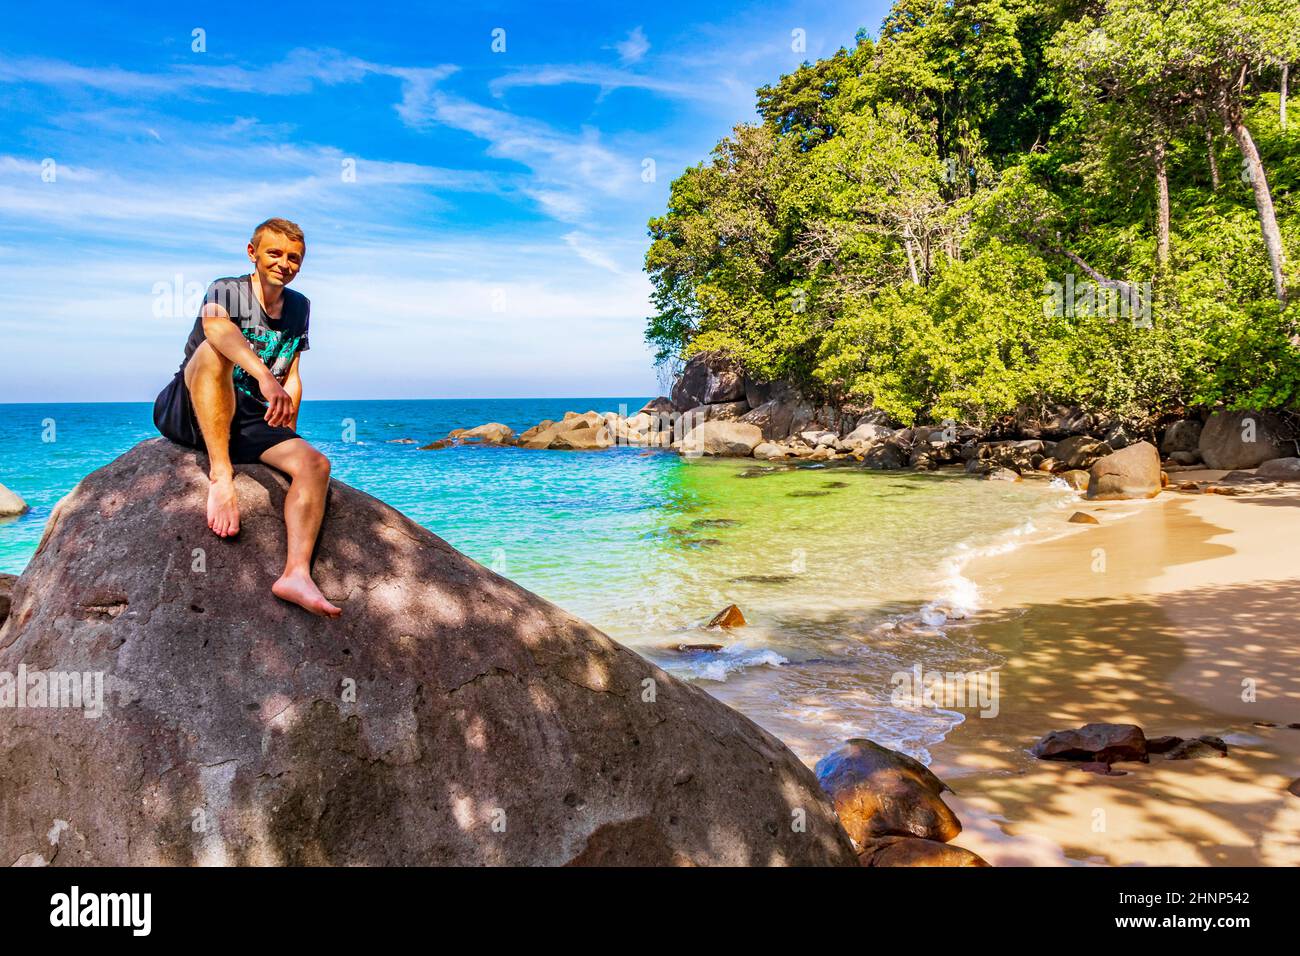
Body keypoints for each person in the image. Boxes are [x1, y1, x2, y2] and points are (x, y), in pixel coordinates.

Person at [153, 217, 341, 617]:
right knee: (211, 350)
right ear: (253, 253)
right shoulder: (228, 289)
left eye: (294, 257)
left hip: (248, 415)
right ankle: (221, 477)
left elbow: (291, 373)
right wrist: (263, 378)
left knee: (315, 465)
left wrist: (289, 431)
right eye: (274, 253)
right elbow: (217, 329)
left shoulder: (299, 306)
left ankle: (295, 575)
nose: (284, 263)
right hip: (191, 406)